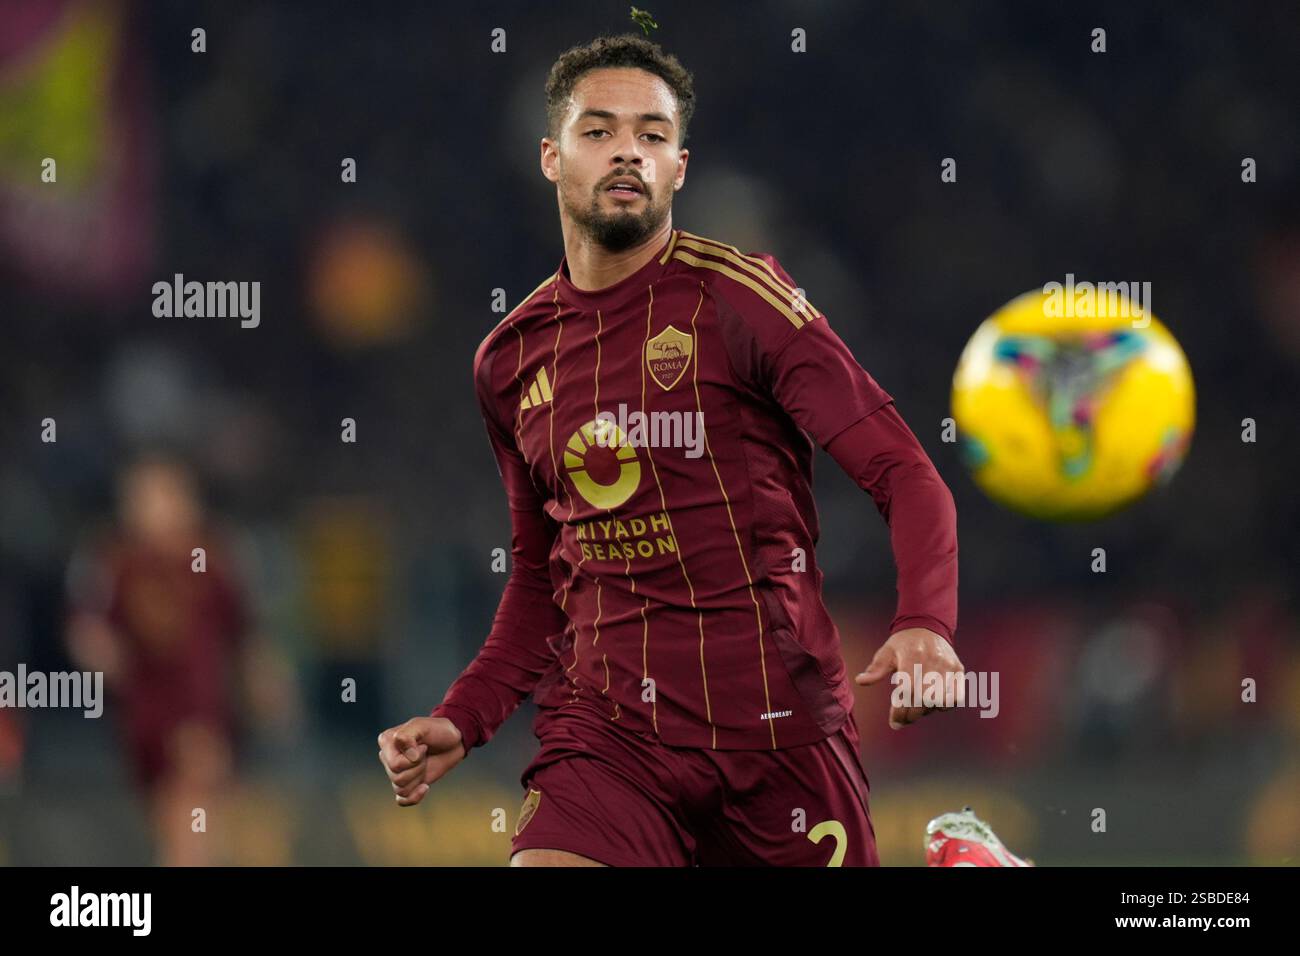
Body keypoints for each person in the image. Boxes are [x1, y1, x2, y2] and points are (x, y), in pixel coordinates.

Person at [379, 33, 963, 866]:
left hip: (775, 735)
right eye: (600, 131)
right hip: (609, 739)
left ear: (679, 168)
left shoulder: (743, 300)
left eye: (653, 135)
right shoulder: (509, 360)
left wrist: (926, 624)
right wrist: (463, 717)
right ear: (552, 157)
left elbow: (905, 472)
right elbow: (542, 580)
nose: (628, 151)